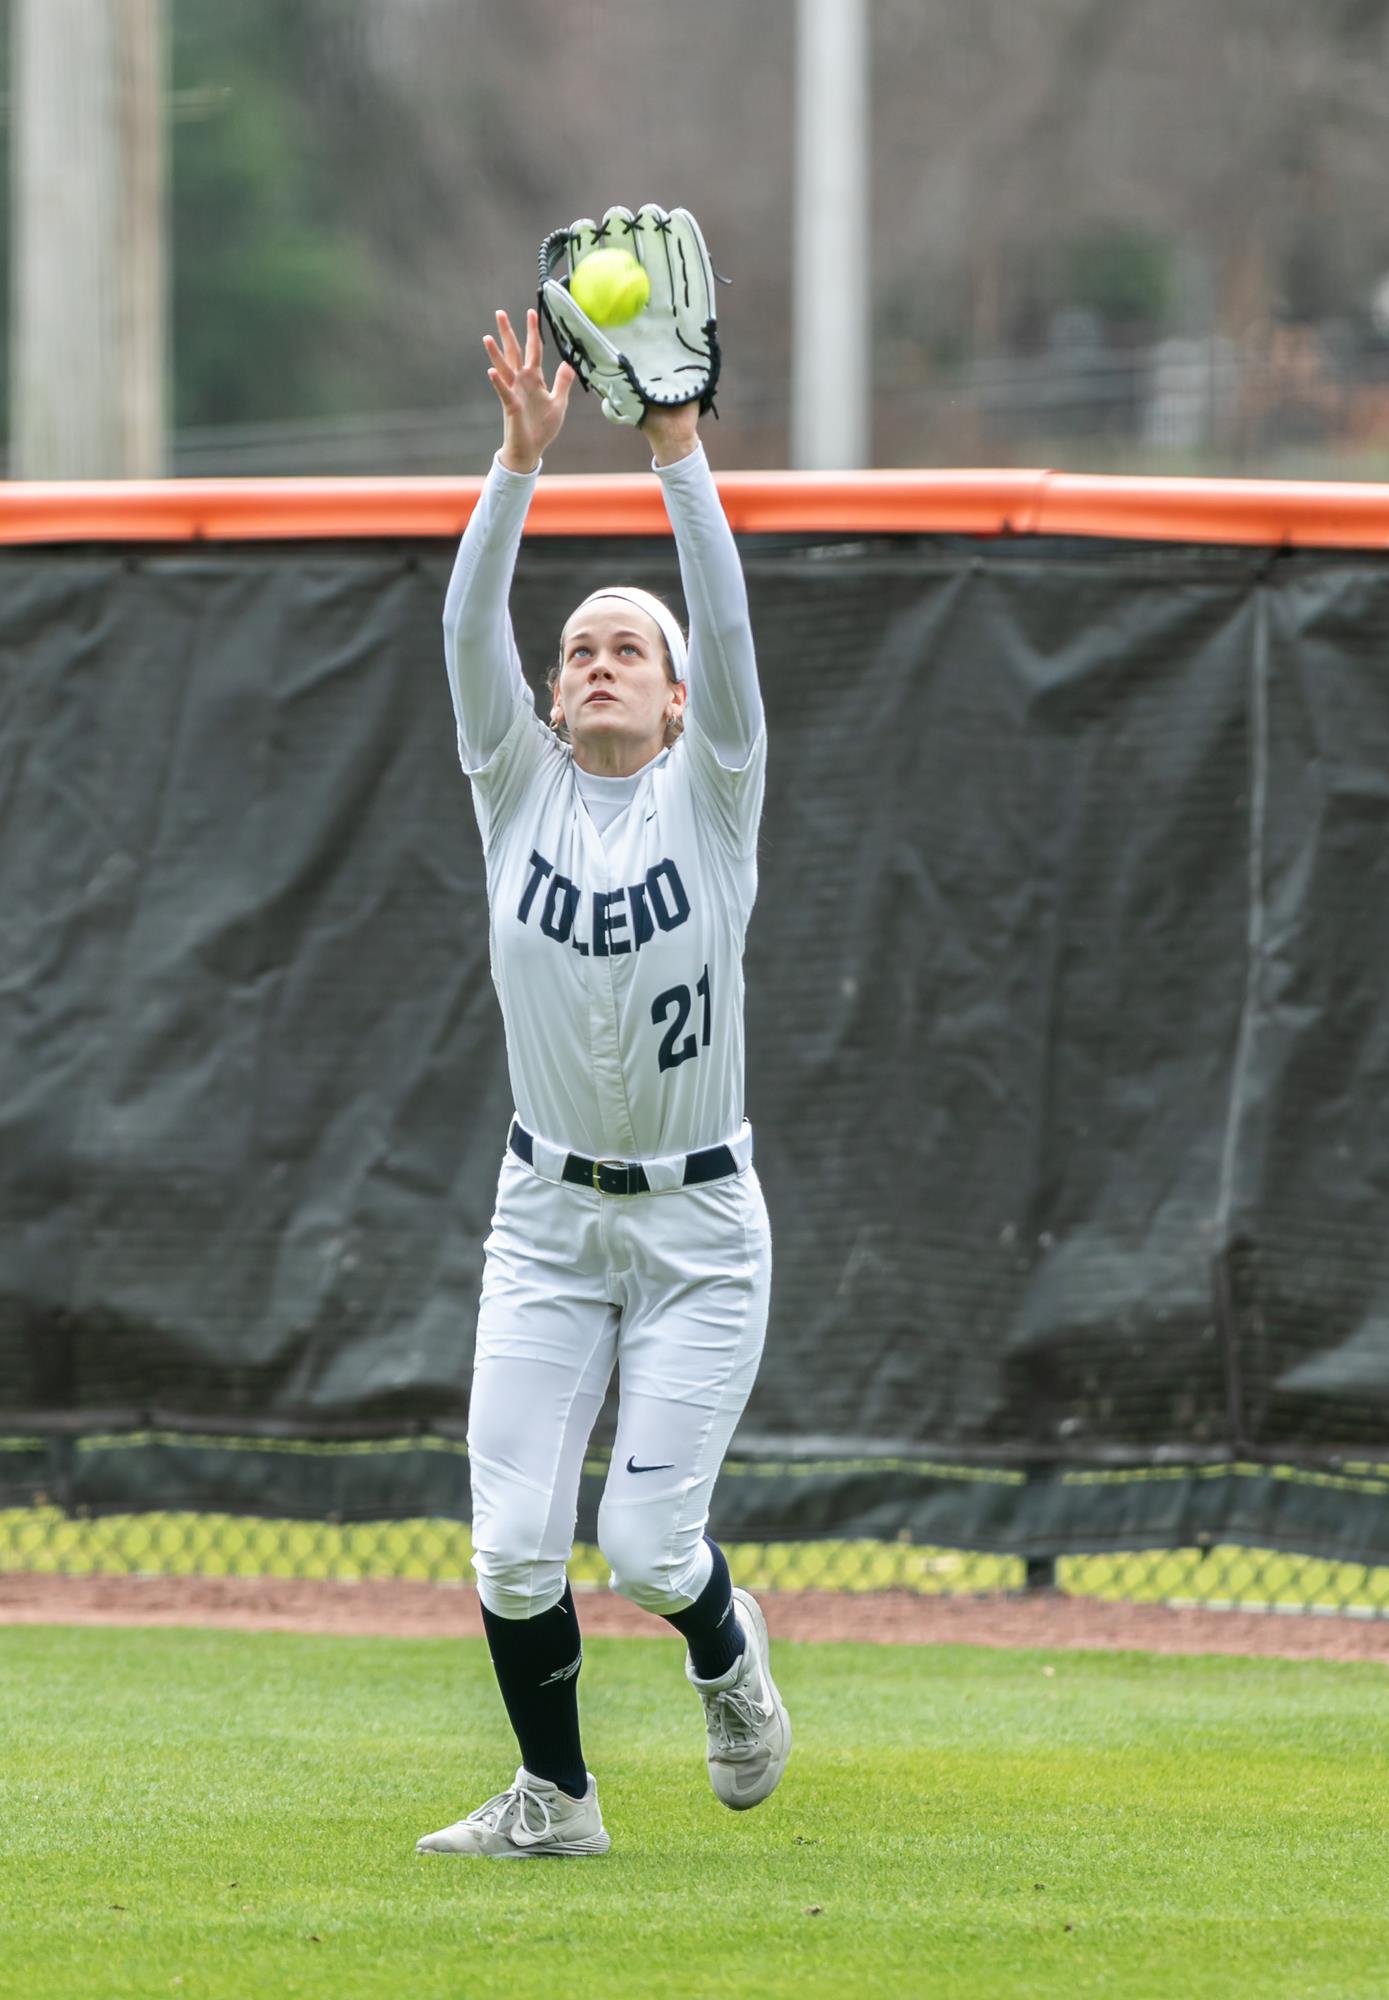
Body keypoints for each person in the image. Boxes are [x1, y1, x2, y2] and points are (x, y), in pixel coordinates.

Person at [417, 308, 789, 1859]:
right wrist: (516, 468)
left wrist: (673, 455)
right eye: (579, 647)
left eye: (626, 645)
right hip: (547, 1221)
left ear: (682, 698)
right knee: (510, 1550)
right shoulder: (516, 793)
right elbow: (465, 634)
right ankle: (554, 1801)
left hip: (700, 1232)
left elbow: (721, 609)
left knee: (642, 1547)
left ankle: (726, 1658)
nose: (592, 659)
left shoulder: (716, 796)